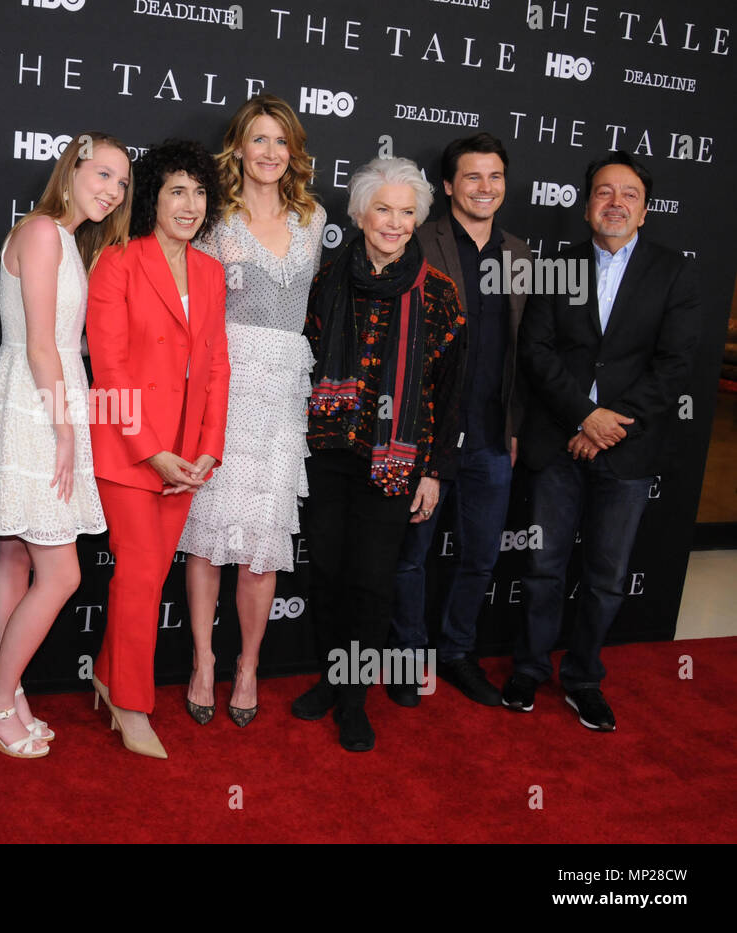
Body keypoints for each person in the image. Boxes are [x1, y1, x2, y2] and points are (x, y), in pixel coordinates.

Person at [503, 151, 700, 731]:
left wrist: (612, 423)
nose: (616, 202)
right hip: (560, 440)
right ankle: (530, 669)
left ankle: (584, 679)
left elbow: (674, 364)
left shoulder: (673, 272)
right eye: (604, 192)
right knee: (543, 566)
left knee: (607, 576)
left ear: (644, 210)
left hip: (629, 448)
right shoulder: (554, 265)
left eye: (629, 194)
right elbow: (536, 352)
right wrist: (585, 417)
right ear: (587, 205)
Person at [0, 132, 133, 758]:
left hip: (38, 397)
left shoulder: (63, 239)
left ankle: (9, 691)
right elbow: (37, 344)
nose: (112, 191)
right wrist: (64, 429)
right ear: (73, 168)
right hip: (36, 405)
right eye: (103, 174)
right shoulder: (42, 232)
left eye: (121, 182)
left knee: (15, 556)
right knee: (61, 572)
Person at [289, 157, 466, 752]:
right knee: (329, 576)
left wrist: (435, 472)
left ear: (419, 219)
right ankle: (329, 679)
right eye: (383, 209)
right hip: (328, 451)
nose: (394, 222)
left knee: (371, 583)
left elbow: (450, 392)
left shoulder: (439, 294)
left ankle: (354, 699)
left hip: (394, 461)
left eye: (406, 211)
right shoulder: (327, 279)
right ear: (361, 213)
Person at [177, 95, 325, 728]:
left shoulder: (313, 217)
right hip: (225, 382)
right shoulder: (216, 219)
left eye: (280, 141)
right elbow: (196, 312)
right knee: (209, 539)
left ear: (292, 151)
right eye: (257, 140)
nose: (269, 152)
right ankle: (205, 661)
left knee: (263, 542)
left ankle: (249, 666)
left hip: (284, 388)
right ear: (237, 146)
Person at [86, 139, 230, 760]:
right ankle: (131, 702)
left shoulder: (211, 271)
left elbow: (218, 367)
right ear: (153, 197)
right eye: (177, 190)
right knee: (143, 575)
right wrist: (150, 452)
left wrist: (208, 453)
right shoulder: (118, 262)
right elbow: (109, 368)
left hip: (187, 460)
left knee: (143, 578)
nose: (190, 204)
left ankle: (106, 673)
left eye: (199, 192)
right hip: (126, 451)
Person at [388, 133, 530, 709]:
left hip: (494, 438)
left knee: (481, 557)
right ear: (447, 186)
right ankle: (405, 655)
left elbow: (525, 351)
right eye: (472, 177)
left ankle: (456, 653)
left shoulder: (519, 255)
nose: (484, 188)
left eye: (494, 177)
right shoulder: (416, 242)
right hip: (429, 436)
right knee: (411, 555)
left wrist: (515, 425)